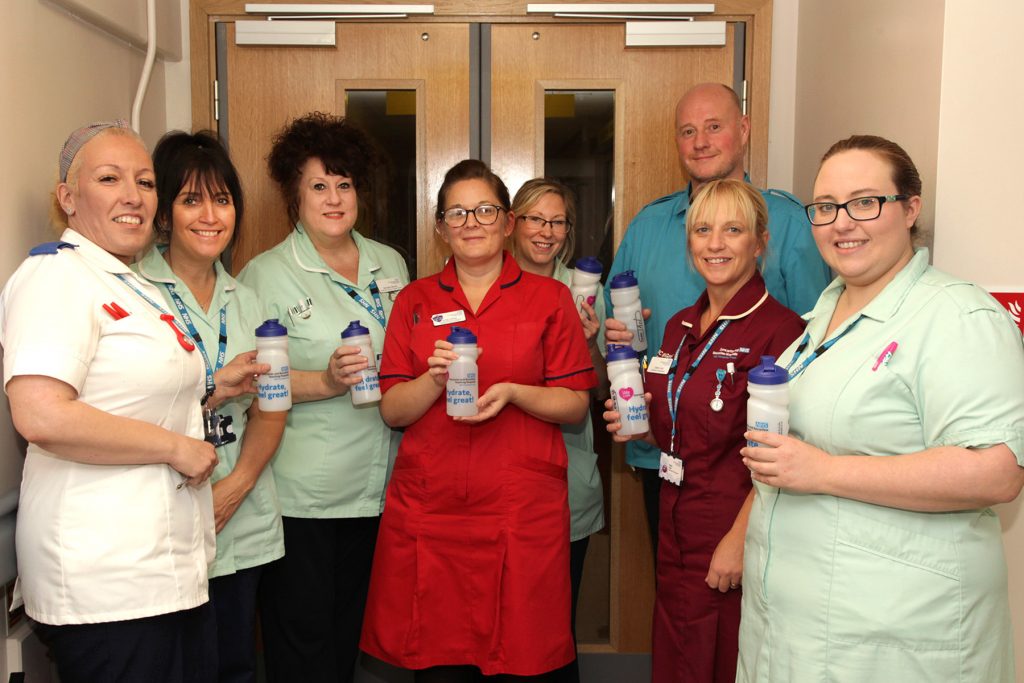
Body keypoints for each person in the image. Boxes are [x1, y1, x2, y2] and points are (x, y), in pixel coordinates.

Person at [738, 135, 1024, 681]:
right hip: (800, 629)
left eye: (865, 202)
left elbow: (997, 471)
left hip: (897, 636)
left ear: (910, 209)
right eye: (824, 208)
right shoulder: (822, 314)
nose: (842, 222)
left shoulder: (957, 316)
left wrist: (824, 471)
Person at [0, 120, 264, 683]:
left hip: (164, 569)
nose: (132, 196)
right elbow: (41, 412)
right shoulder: (55, 277)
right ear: (68, 198)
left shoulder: (132, 284)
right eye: (109, 178)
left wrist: (214, 387)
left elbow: (127, 395)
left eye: (144, 182)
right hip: (105, 576)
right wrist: (175, 447)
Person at [360, 160, 597, 682]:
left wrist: (514, 392)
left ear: (508, 222)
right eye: (458, 212)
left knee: (522, 659)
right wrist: (432, 379)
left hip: (519, 510)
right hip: (434, 510)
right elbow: (392, 409)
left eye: (486, 210)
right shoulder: (415, 302)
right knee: (440, 664)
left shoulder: (549, 299)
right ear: (441, 228)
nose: (472, 222)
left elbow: (576, 403)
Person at [605, 82, 831, 556]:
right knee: (677, 588)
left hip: (749, 467)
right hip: (662, 451)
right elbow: (614, 330)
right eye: (688, 131)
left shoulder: (788, 223)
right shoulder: (649, 225)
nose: (701, 141)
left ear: (744, 130)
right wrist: (612, 336)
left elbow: (819, 343)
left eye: (714, 127)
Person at [604, 179, 803, 683]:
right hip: (675, 525)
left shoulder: (781, 332)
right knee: (678, 653)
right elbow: (682, 424)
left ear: (760, 242)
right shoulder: (678, 326)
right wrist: (640, 429)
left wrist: (739, 540)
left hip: (730, 530)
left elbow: (784, 454)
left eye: (732, 230)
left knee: (720, 658)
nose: (714, 244)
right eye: (702, 230)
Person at [238, 112, 409, 683]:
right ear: (295, 195)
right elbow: (261, 382)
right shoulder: (265, 276)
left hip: (382, 488)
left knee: (352, 639)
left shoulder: (392, 263)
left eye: (344, 184)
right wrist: (327, 381)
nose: (334, 199)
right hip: (304, 498)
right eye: (319, 186)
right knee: (304, 647)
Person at [135, 130, 286, 683]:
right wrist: (212, 388)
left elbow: (274, 405)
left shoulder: (249, 300)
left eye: (222, 199)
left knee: (235, 666)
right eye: (191, 198)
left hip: (237, 515)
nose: (210, 215)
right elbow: (120, 407)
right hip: (160, 517)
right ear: (165, 213)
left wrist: (238, 484)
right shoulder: (134, 294)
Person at [509, 178, 607, 683]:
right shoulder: (487, 284)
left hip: (568, 480)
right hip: (499, 486)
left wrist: (588, 346)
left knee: (553, 632)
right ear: (512, 224)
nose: (546, 232)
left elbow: (601, 389)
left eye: (557, 221)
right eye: (534, 218)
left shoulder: (587, 293)